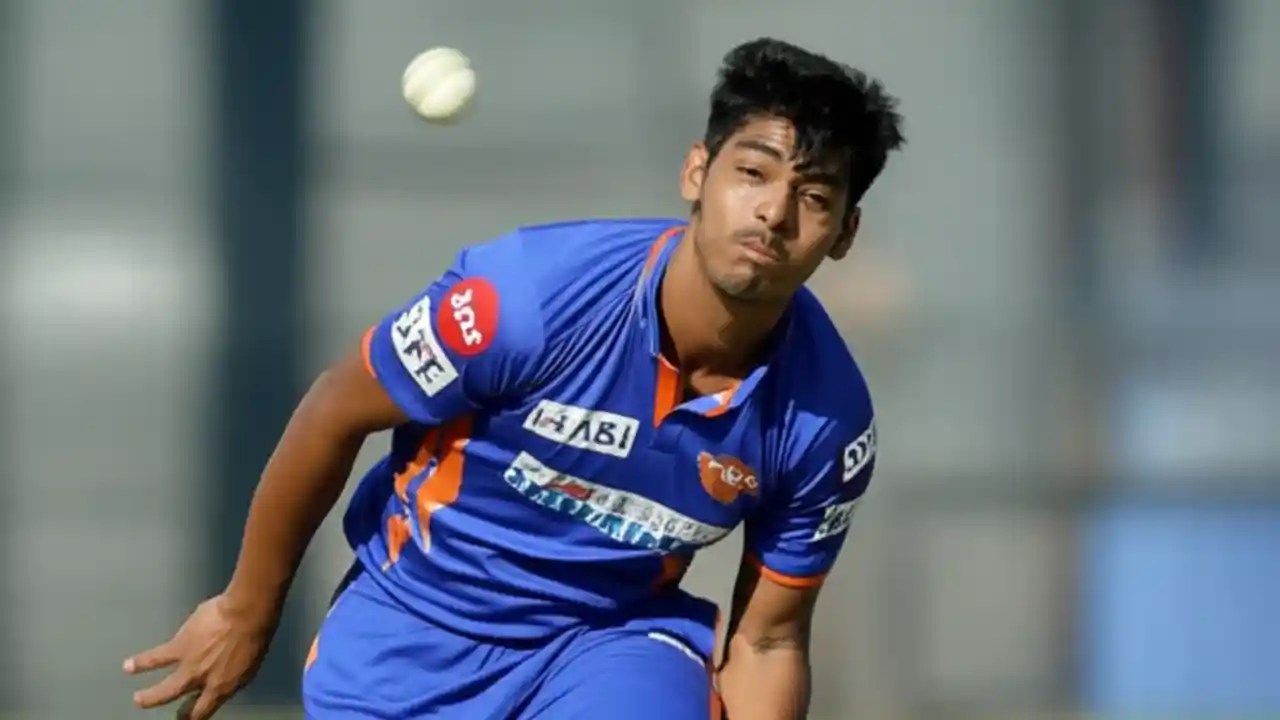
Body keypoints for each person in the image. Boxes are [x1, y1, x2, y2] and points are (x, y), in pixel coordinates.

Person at [123, 36, 904, 720]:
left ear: (843, 233)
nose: (773, 213)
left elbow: (768, 640)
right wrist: (247, 609)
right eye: (753, 173)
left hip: (609, 642)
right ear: (697, 173)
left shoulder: (827, 424)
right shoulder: (525, 301)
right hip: (418, 621)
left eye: (813, 197)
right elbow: (335, 409)